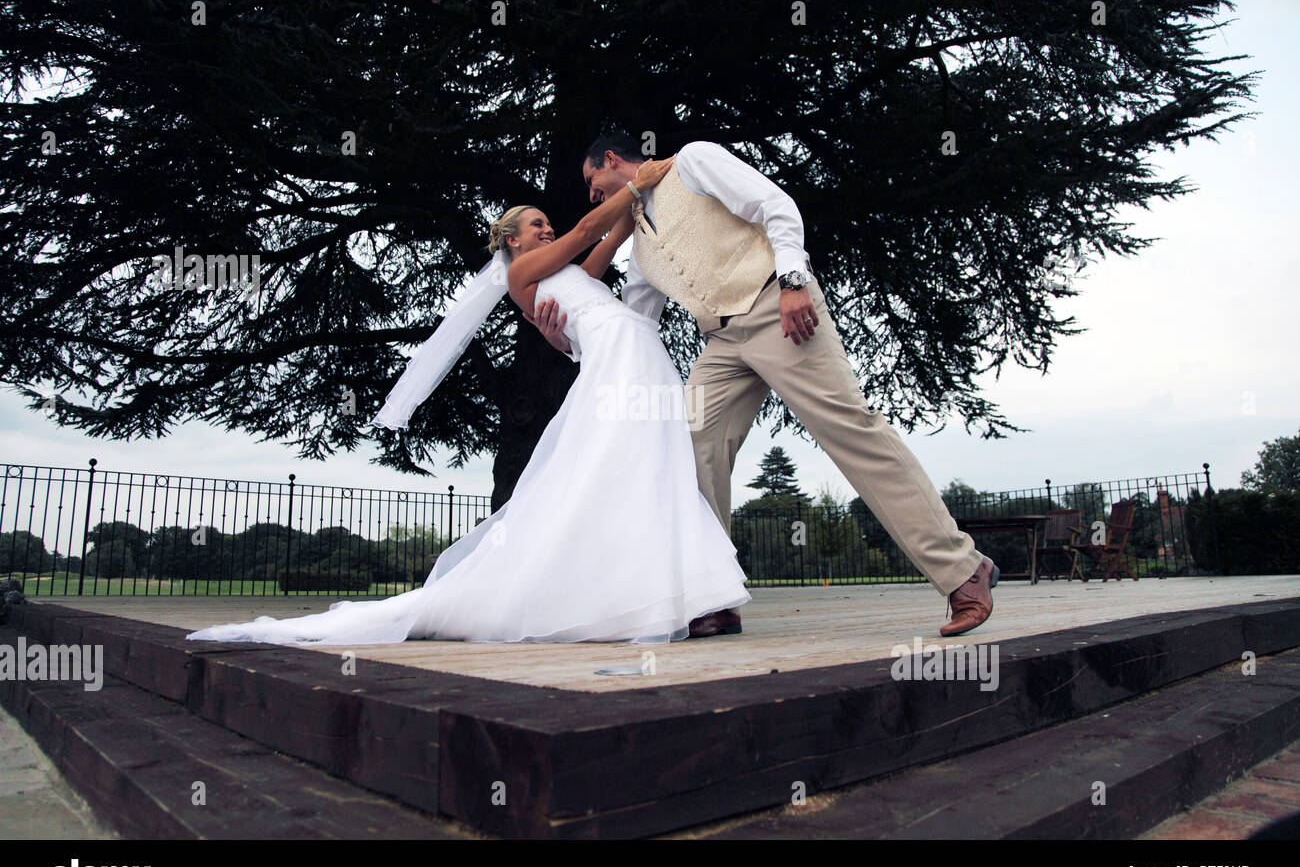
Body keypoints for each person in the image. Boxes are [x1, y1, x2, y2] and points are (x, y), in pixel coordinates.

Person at [187, 155, 751, 646]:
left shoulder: (564, 271)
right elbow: (584, 235)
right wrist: (633, 186)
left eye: (547, 224)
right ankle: (671, 599)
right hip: (619, 363)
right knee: (627, 468)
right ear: (511, 241)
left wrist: (641, 203)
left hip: (639, 353)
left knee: (651, 469)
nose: (547, 229)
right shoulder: (524, 273)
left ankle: (681, 595)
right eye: (536, 225)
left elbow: (601, 246)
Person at [533, 133, 999, 638]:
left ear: (610, 160)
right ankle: (717, 597)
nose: (591, 195)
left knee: (850, 431)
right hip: (722, 344)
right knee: (690, 447)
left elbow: (776, 206)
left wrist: (793, 282)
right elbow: (634, 323)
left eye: (591, 181)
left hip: (775, 305)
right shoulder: (640, 250)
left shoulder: (693, 161)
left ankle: (962, 568)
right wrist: (567, 340)